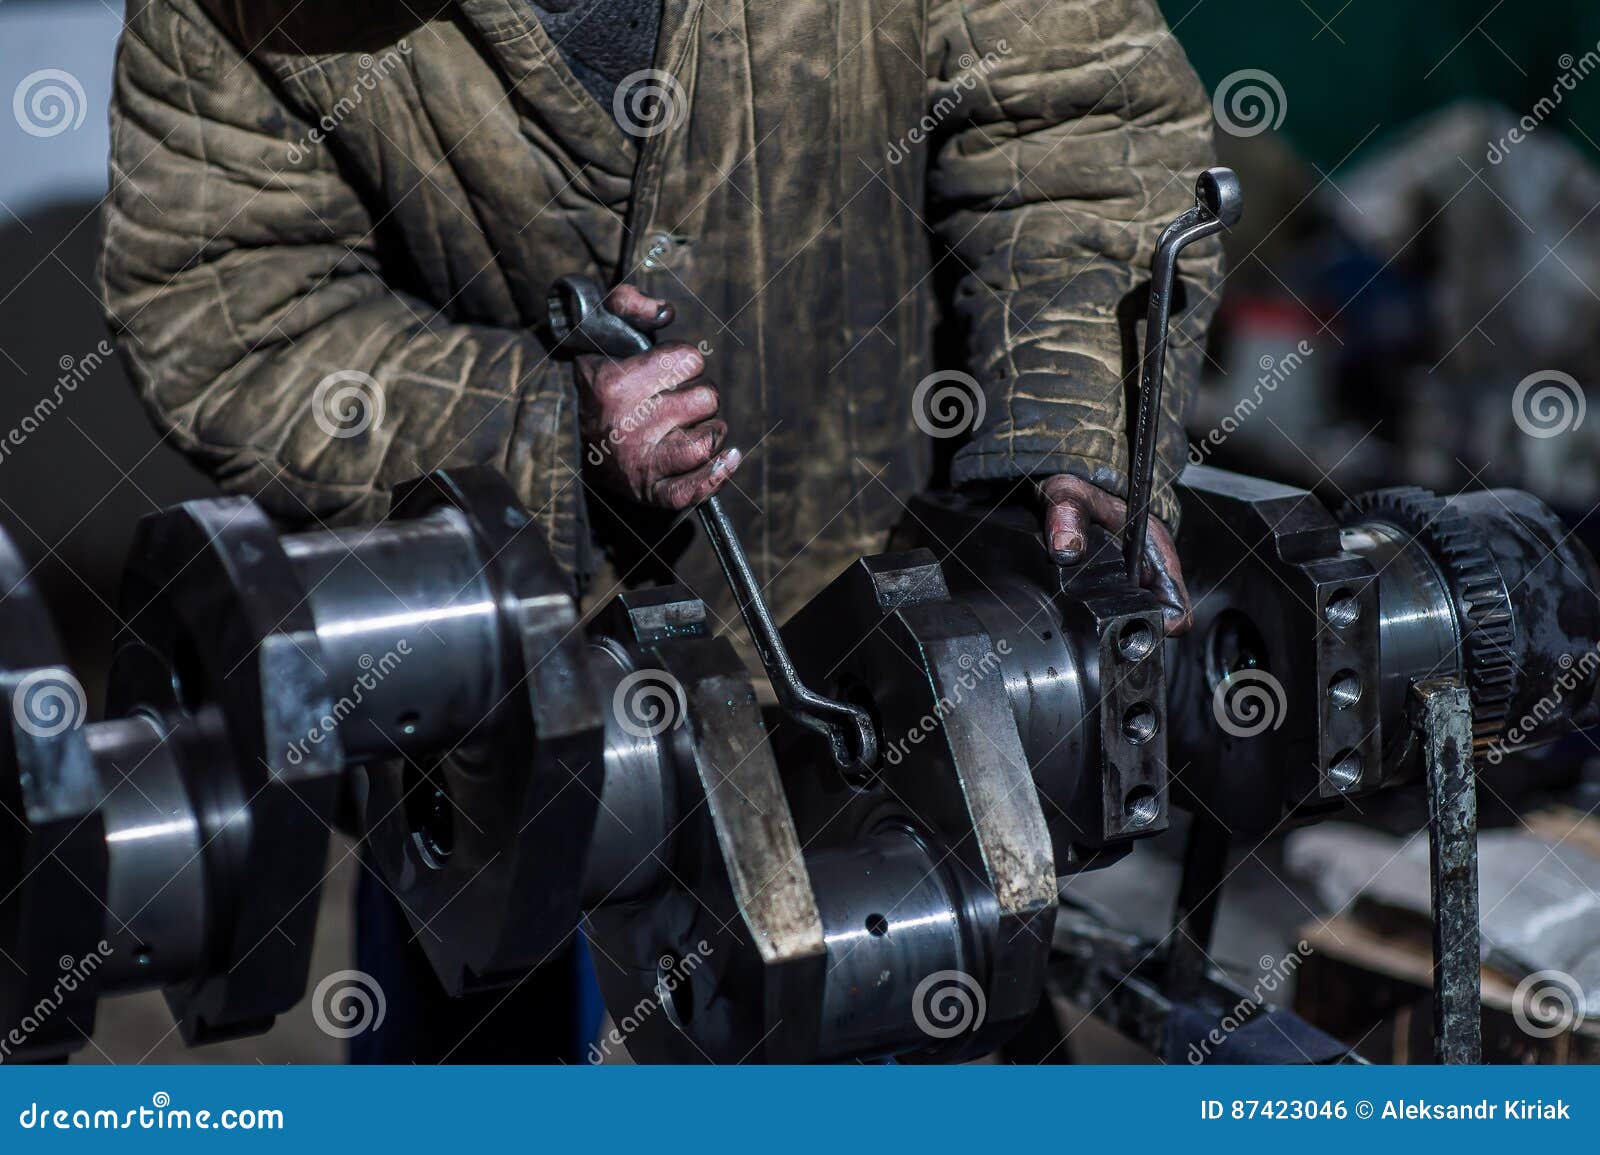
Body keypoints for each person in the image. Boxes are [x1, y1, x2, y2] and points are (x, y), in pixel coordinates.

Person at [101, 0, 1224, 1060]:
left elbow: (1079, 120)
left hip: (891, 716)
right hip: (493, 743)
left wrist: (1073, 425)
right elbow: (228, 314)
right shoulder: (231, 15)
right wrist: (538, 427)